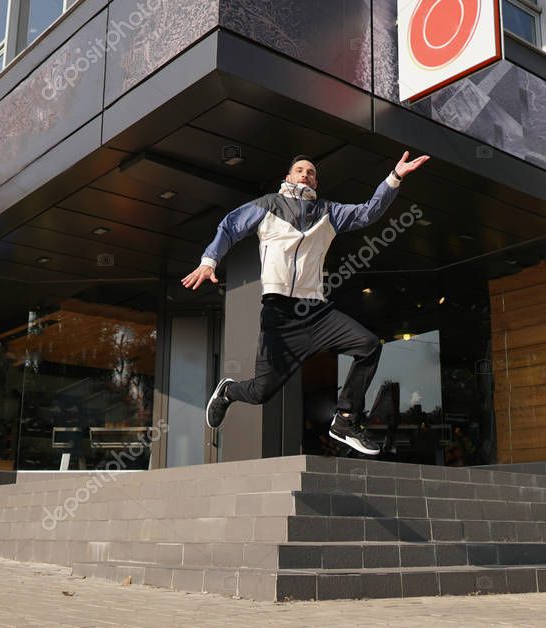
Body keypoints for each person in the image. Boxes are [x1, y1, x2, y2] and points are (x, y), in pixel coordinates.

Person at [182, 151, 430, 454]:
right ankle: (229, 391)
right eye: (299, 170)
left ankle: (346, 420)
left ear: (316, 181)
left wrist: (394, 178)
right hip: (280, 313)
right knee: (261, 392)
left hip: (316, 312)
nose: (305, 175)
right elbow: (231, 226)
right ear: (288, 177)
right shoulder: (268, 205)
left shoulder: (329, 212)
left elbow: (367, 213)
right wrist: (210, 261)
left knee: (368, 345)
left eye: (311, 172)